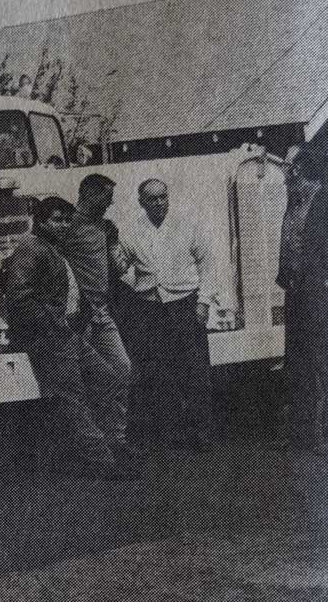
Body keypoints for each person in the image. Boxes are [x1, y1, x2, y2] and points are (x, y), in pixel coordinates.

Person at [2, 196, 137, 479]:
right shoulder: (31, 249)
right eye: (56, 220)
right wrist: (53, 325)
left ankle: (105, 446)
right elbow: (19, 298)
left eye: (66, 220)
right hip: (51, 338)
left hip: (68, 334)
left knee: (108, 379)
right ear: (40, 222)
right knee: (72, 399)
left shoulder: (52, 248)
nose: (63, 225)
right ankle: (100, 461)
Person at [274, 145, 328, 454]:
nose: (282, 171)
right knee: (297, 365)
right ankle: (300, 434)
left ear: (297, 169)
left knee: (327, 365)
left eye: (286, 166)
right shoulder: (294, 201)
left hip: (320, 296)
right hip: (297, 294)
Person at [118, 178, 215, 451]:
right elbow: (121, 264)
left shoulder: (187, 224)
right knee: (160, 373)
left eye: (163, 197)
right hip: (150, 309)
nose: (159, 203)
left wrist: (204, 302)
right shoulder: (132, 231)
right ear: (142, 202)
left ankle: (202, 434)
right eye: (153, 199)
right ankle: (172, 434)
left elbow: (207, 263)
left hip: (185, 305)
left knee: (195, 371)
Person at [60, 174, 133, 452]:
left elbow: (119, 268)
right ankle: (94, 445)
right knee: (89, 379)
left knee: (122, 369)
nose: (109, 204)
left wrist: (115, 243)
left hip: (104, 313)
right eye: (106, 199)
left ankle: (118, 438)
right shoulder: (69, 225)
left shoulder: (105, 227)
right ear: (89, 195)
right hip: (82, 316)